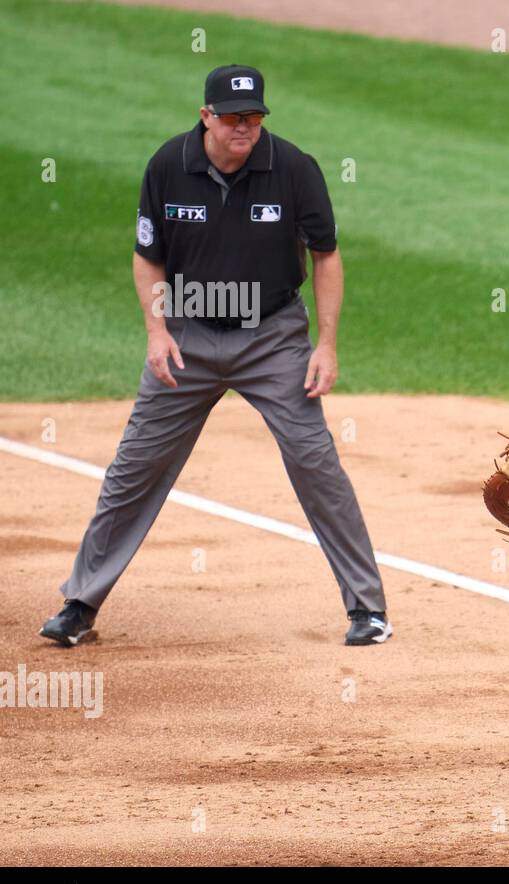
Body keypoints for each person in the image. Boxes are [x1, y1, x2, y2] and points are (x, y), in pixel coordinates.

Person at [39, 65, 391, 648]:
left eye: (253, 117)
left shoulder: (294, 169)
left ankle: (368, 609)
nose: (244, 128)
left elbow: (326, 256)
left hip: (272, 336)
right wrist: (156, 331)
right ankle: (80, 603)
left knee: (315, 462)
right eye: (232, 118)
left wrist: (325, 344)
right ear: (207, 116)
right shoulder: (168, 166)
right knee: (135, 467)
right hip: (188, 333)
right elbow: (147, 256)